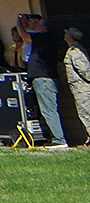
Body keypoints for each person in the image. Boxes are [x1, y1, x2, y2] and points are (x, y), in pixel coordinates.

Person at [21, 15, 69, 150]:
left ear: (44, 27)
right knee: (47, 109)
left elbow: (24, 36)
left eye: (38, 24)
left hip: (44, 79)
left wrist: (18, 22)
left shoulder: (45, 37)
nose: (35, 26)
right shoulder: (43, 39)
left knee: (49, 109)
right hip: (42, 79)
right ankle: (56, 137)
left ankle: (59, 139)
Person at [64, 27, 90, 148]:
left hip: (82, 88)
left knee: (86, 113)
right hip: (78, 88)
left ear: (71, 36)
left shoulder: (76, 51)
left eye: (67, 34)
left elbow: (85, 71)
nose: (65, 35)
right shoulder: (72, 50)